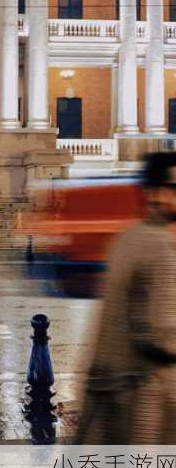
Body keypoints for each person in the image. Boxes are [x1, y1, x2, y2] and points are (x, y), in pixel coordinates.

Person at [76, 152, 176, 444]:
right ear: (157, 192)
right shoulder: (160, 246)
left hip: (107, 385)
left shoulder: (127, 237)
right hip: (140, 393)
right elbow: (163, 332)